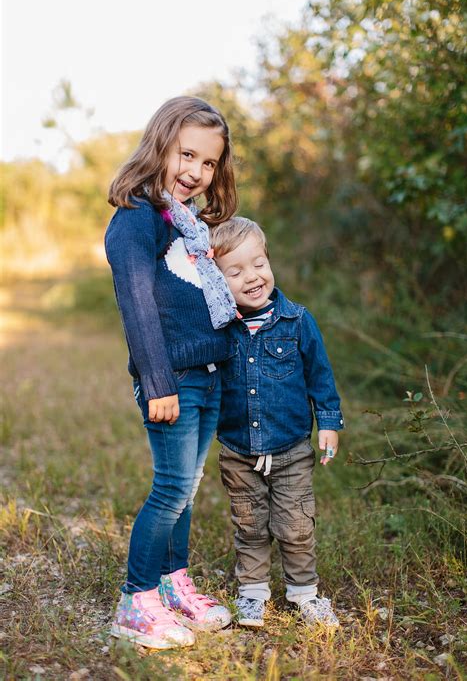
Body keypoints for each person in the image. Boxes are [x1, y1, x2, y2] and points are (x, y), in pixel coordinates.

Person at [105, 96, 239, 650]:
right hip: (173, 380)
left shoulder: (185, 223)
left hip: (207, 373)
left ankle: (171, 582)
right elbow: (138, 305)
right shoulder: (137, 219)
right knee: (171, 489)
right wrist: (157, 383)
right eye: (186, 155)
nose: (195, 172)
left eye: (208, 163)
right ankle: (136, 601)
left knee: (189, 488)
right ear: (160, 145)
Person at [210, 217, 344, 629]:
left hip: (290, 448)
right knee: (249, 523)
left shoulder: (297, 321)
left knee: (296, 524)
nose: (252, 277)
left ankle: (304, 592)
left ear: (269, 261)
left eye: (258, 264)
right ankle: (252, 593)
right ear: (216, 282)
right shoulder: (218, 329)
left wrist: (329, 421)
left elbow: (320, 376)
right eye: (235, 272)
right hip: (238, 449)